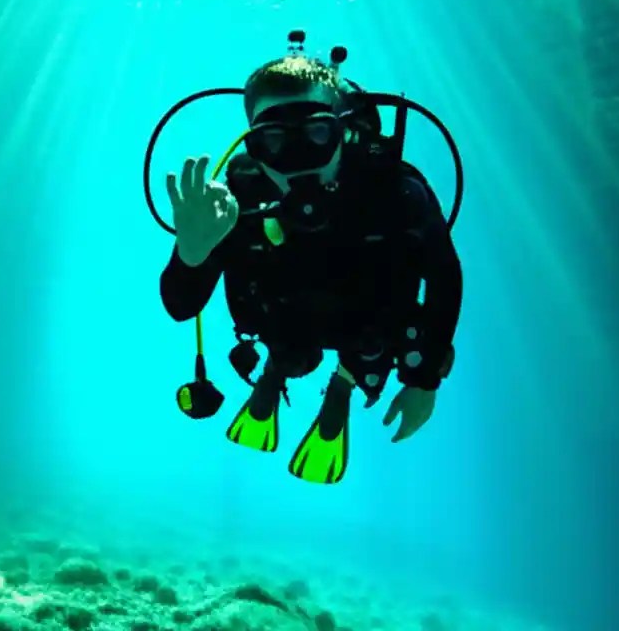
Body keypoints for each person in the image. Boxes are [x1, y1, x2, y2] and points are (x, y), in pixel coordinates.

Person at [156, 44, 463, 484]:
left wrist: (424, 378)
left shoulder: (395, 190)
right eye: (275, 141)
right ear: (253, 146)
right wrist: (192, 251)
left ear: (344, 133)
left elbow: (445, 278)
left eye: (317, 136)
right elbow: (181, 307)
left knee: (369, 355)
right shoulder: (235, 199)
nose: (297, 161)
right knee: (290, 353)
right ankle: (279, 369)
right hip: (282, 321)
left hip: (366, 328)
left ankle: (343, 385)